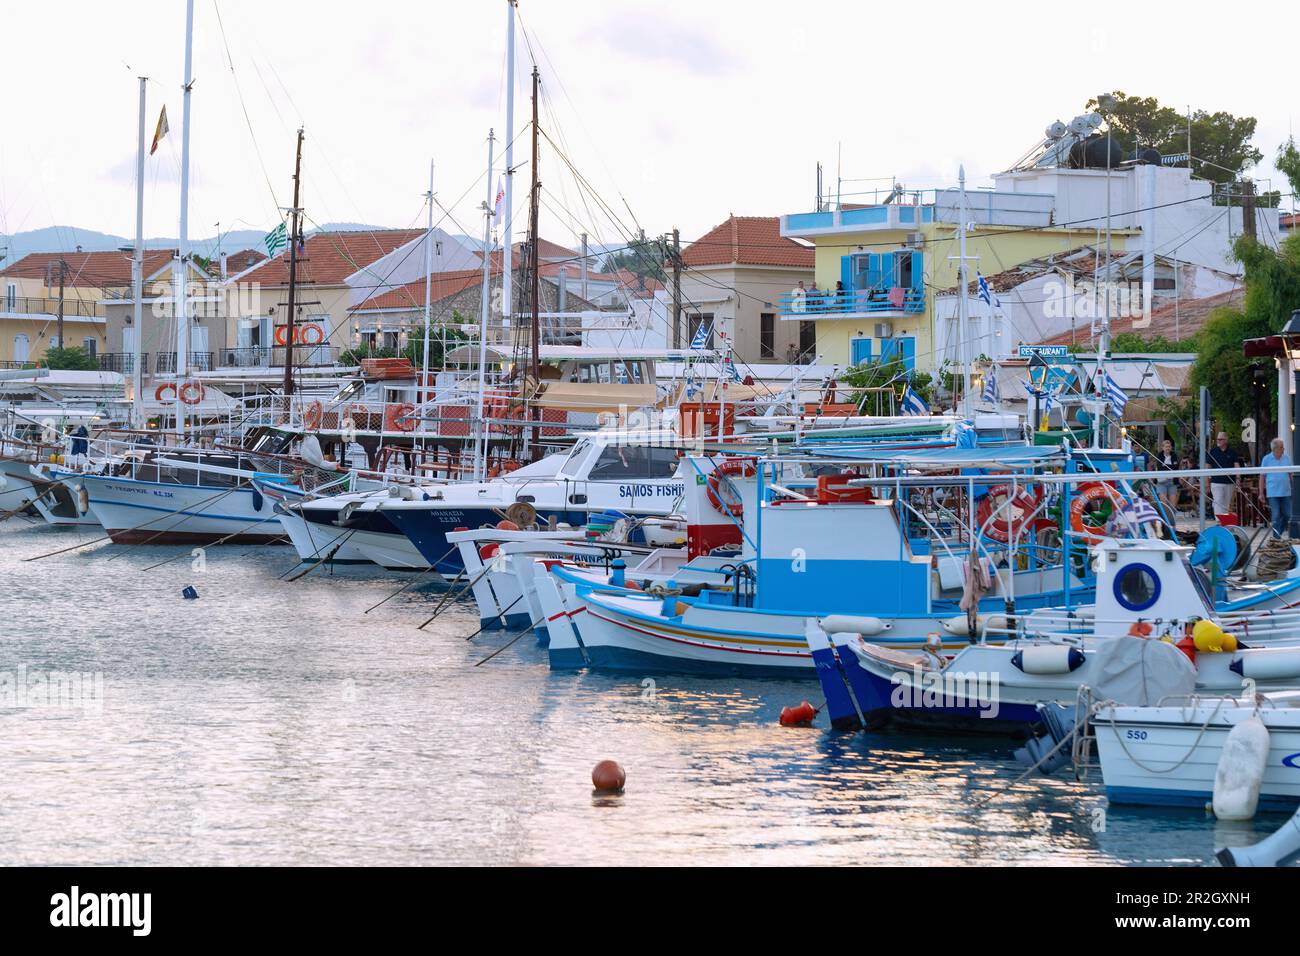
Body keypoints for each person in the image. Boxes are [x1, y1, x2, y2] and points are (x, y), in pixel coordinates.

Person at [1259, 437, 1293, 539]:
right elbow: (1262, 476)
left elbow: (1290, 474)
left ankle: (1277, 534)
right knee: (1276, 516)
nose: (1283, 449)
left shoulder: (1287, 458)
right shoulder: (1266, 459)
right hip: (1273, 492)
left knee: (1288, 515)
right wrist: (1261, 493)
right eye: (1282, 447)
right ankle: (1276, 538)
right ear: (1275, 449)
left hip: (1286, 492)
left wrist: (1293, 487)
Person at [1207, 431, 1242, 520]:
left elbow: (1236, 466)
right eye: (1217, 439)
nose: (1218, 441)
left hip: (1229, 482)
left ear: (1226, 440)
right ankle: (1219, 522)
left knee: (1226, 504)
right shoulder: (1213, 451)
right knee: (1218, 501)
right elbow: (1208, 466)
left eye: (1221, 439)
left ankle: (1224, 524)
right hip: (1216, 482)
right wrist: (1207, 480)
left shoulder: (1232, 452)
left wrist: (1238, 478)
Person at [1153, 438, 1178, 515]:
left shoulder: (1174, 455)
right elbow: (1160, 468)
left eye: (1169, 446)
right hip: (1161, 482)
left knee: (1172, 504)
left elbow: (1176, 467)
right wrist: (1170, 466)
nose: (1168, 448)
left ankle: (1172, 519)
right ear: (1162, 448)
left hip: (1172, 481)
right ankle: (1164, 518)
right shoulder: (1159, 455)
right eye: (1166, 446)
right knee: (1163, 502)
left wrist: (1165, 466)